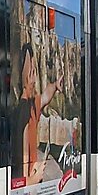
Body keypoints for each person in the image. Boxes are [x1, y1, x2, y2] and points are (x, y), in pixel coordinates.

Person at [17, 43, 61, 186]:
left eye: (34, 72)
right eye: (31, 73)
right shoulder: (23, 109)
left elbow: (44, 97)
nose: (34, 79)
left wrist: (55, 86)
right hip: (29, 181)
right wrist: (31, 179)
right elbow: (23, 151)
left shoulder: (31, 103)